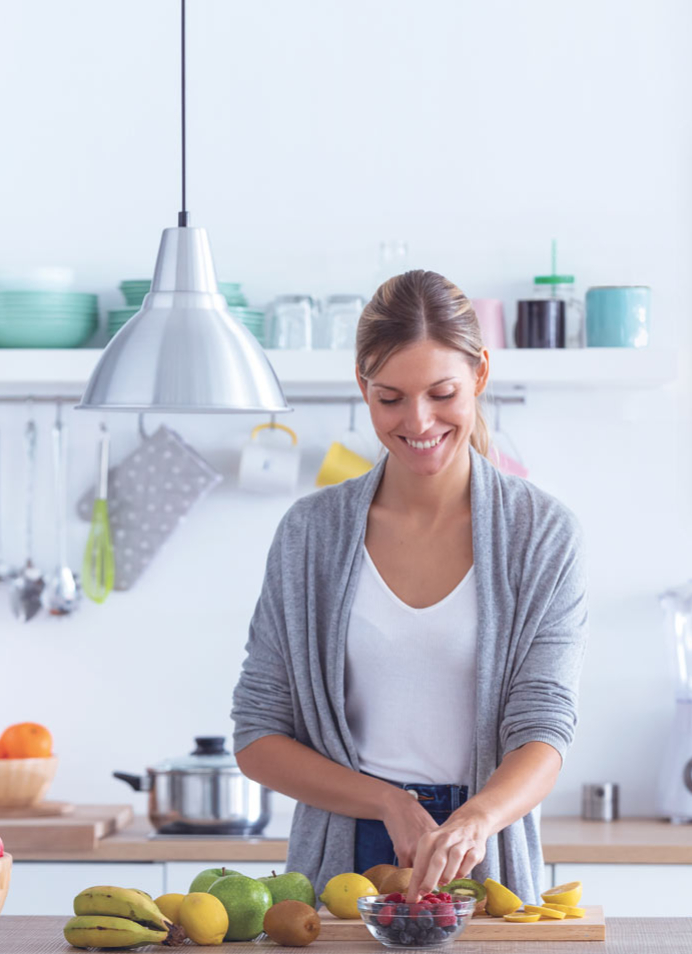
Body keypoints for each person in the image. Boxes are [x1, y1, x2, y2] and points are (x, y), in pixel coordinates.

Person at [231, 270, 588, 905]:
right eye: (390, 398)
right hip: (345, 850)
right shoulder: (309, 534)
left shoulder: (542, 534)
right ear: (362, 388)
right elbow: (258, 736)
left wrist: (476, 819)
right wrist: (388, 803)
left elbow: (545, 729)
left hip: (483, 844)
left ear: (480, 374)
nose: (418, 421)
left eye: (441, 393)